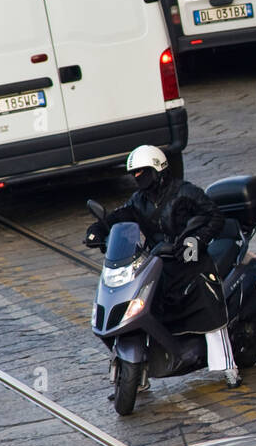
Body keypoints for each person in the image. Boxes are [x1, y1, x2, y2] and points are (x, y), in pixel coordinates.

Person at [83, 145, 235, 381]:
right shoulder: (138, 200)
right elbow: (119, 216)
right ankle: (139, 371)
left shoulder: (185, 192)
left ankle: (229, 367)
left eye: (142, 172)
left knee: (210, 307)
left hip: (190, 262)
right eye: (133, 173)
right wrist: (98, 229)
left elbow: (214, 215)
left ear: (157, 169)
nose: (136, 177)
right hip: (159, 264)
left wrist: (196, 240)